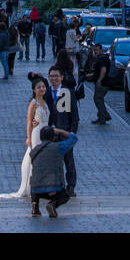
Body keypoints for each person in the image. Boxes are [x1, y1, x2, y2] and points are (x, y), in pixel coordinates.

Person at [0, 74, 51, 200]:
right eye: (39, 87)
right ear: (34, 90)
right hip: (36, 133)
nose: (42, 89)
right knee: (33, 156)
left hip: (45, 132)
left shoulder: (45, 101)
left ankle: (38, 184)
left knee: (41, 159)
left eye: (43, 86)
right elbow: (29, 121)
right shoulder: (33, 103)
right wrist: (28, 137)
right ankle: (29, 186)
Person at [29, 126, 78, 218]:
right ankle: (53, 204)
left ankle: (35, 207)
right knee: (66, 195)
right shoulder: (59, 147)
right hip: (53, 189)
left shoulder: (34, 150)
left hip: (36, 189)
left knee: (34, 179)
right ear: (53, 137)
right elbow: (73, 138)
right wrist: (61, 131)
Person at [46, 65, 78, 197]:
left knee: (68, 161)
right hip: (50, 133)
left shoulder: (67, 92)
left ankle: (71, 186)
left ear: (61, 78)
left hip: (64, 132)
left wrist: (72, 132)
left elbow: (74, 115)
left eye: (56, 76)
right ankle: (57, 186)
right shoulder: (46, 91)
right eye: (51, 76)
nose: (54, 78)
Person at [84, 42, 112, 125]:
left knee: (98, 100)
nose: (95, 52)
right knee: (99, 100)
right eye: (94, 50)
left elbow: (103, 70)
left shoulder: (102, 59)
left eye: (96, 50)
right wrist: (90, 75)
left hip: (103, 83)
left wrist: (99, 80)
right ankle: (101, 118)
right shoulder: (101, 58)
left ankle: (105, 115)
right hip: (103, 82)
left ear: (100, 49)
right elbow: (98, 71)